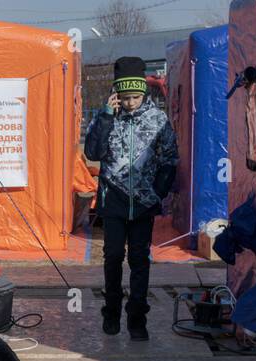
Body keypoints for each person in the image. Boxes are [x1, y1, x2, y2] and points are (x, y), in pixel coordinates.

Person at [83, 56, 179, 341]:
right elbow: (93, 153)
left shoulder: (157, 119)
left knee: (139, 259)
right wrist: (105, 117)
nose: (130, 103)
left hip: (144, 203)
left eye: (135, 97)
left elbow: (170, 157)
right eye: (125, 98)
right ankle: (111, 312)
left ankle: (137, 319)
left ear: (143, 93)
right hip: (113, 199)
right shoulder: (107, 117)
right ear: (116, 95)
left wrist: (158, 191)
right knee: (113, 256)